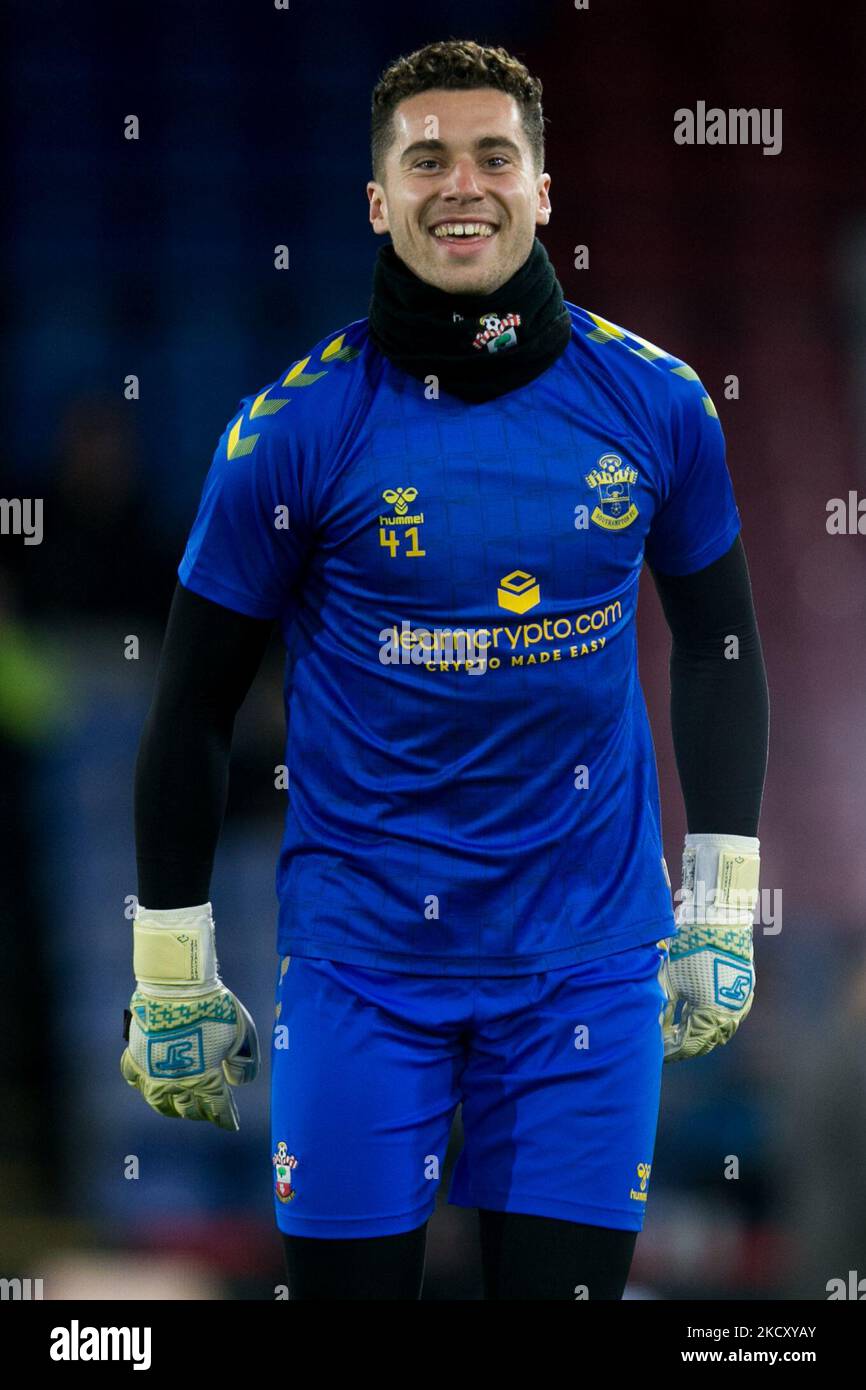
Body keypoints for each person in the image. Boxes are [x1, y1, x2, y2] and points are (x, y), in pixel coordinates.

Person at [121, 38, 769, 1301]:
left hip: (586, 966)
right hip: (364, 969)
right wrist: (169, 967)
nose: (458, 183)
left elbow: (721, 645)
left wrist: (723, 892)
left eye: (491, 155)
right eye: (425, 159)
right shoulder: (291, 429)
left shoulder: (660, 403)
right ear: (378, 198)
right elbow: (192, 704)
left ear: (541, 188)